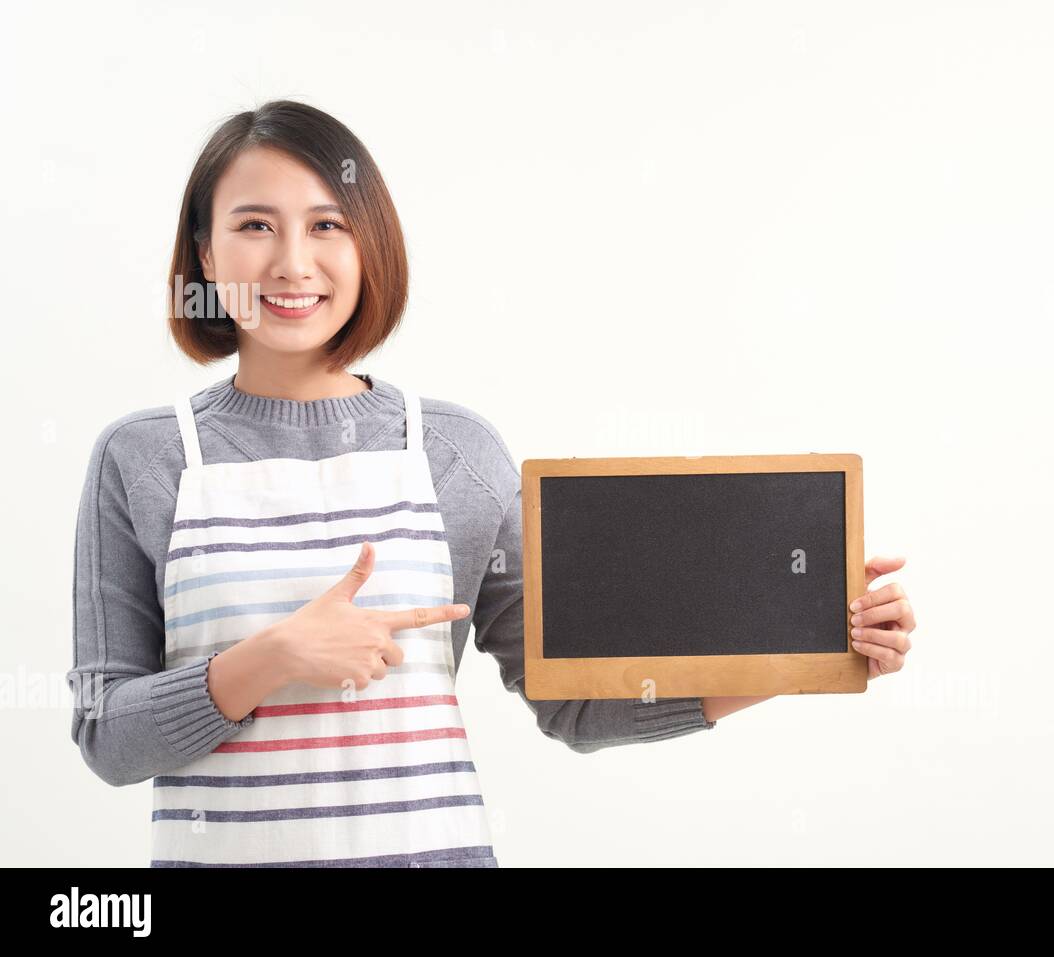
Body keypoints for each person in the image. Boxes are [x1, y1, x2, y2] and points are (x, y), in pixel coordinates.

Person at [66, 100, 917, 868]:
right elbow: (107, 735)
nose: (293, 262)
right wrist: (272, 657)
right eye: (255, 225)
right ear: (205, 251)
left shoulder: (452, 450)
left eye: (327, 225)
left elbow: (574, 705)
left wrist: (808, 651)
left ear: (370, 245)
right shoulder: (144, 457)